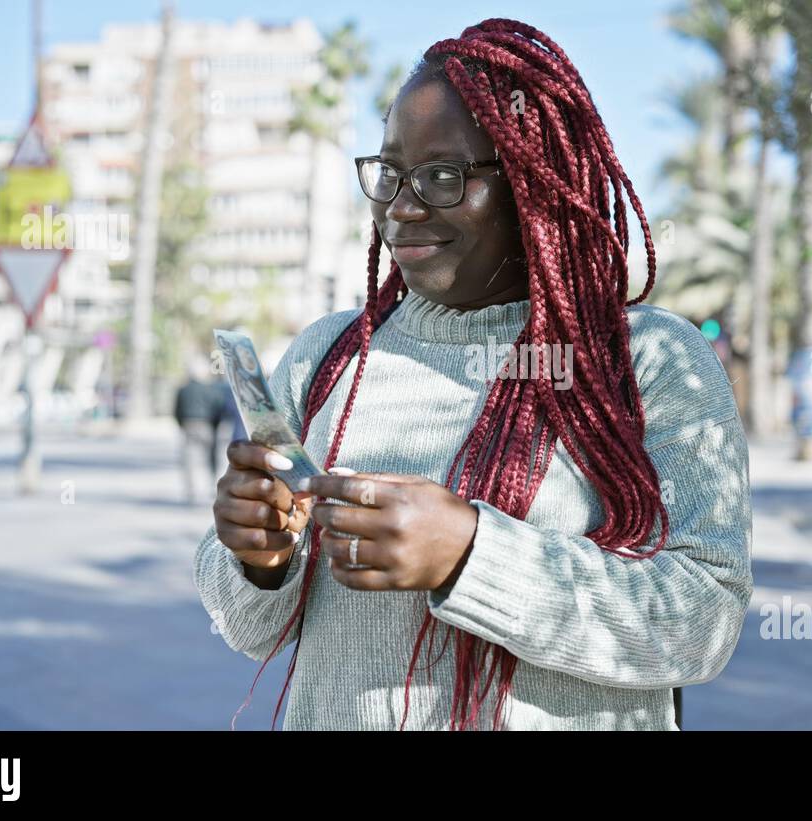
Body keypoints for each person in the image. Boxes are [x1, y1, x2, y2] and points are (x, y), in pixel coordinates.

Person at [194, 19, 753, 731]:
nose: (400, 204)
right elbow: (250, 630)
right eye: (391, 173)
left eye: (443, 176)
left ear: (532, 183)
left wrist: (469, 552)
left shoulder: (648, 361)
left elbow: (702, 619)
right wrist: (259, 559)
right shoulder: (327, 354)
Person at [174, 357, 224, 505]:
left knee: (189, 460)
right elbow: (218, 408)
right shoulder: (210, 389)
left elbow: (177, 409)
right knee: (210, 457)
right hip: (206, 426)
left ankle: (191, 490)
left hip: (189, 425)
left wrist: (181, 424)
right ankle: (212, 484)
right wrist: (216, 425)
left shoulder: (183, 389)